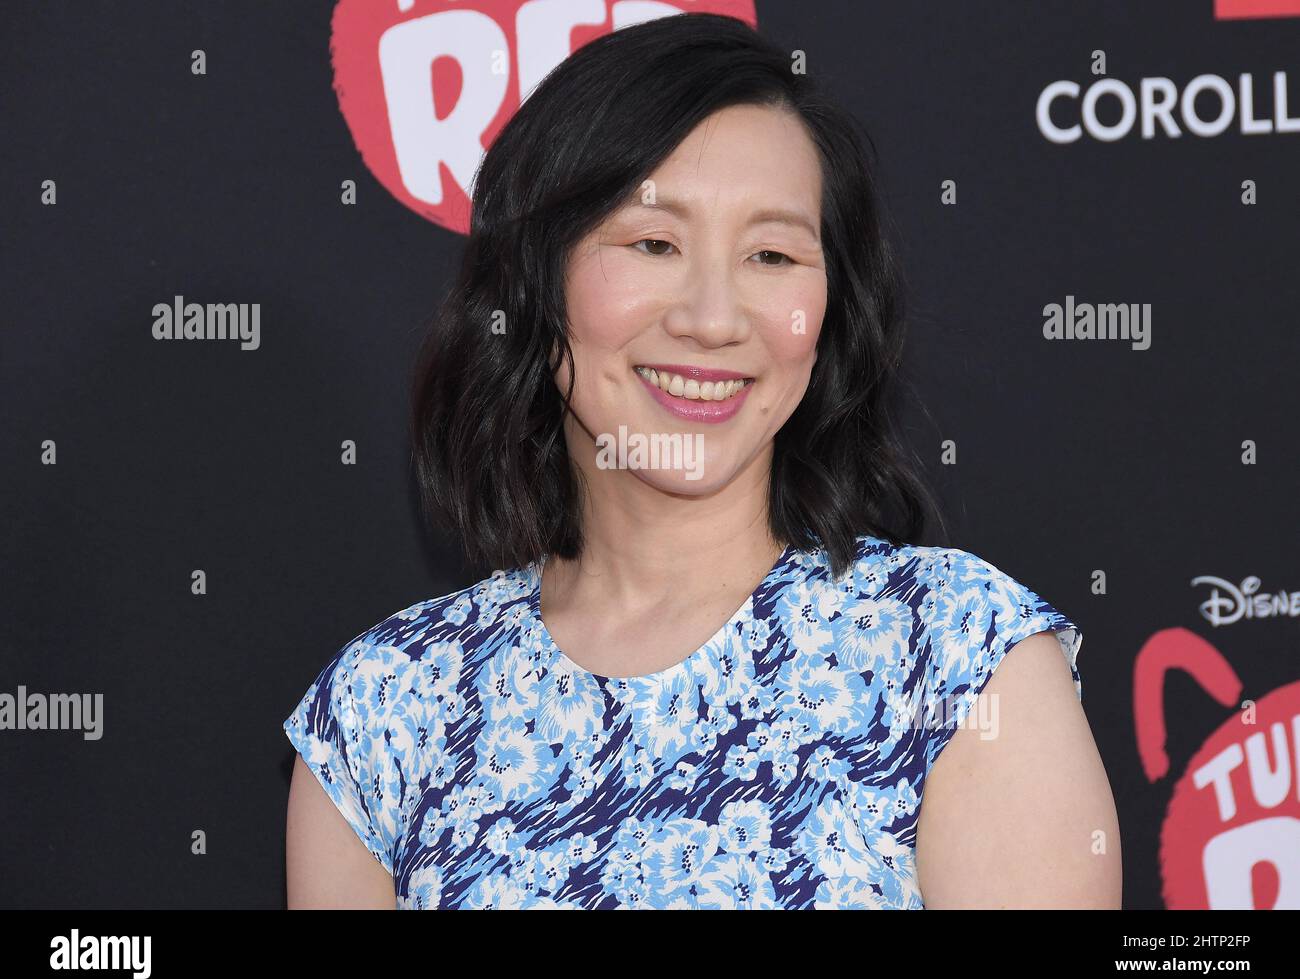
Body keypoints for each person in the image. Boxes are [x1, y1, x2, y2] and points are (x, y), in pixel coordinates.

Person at [283, 12, 1120, 909]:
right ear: (534, 278)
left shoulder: (958, 658)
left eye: (771, 254)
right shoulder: (388, 708)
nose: (715, 318)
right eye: (654, 243)